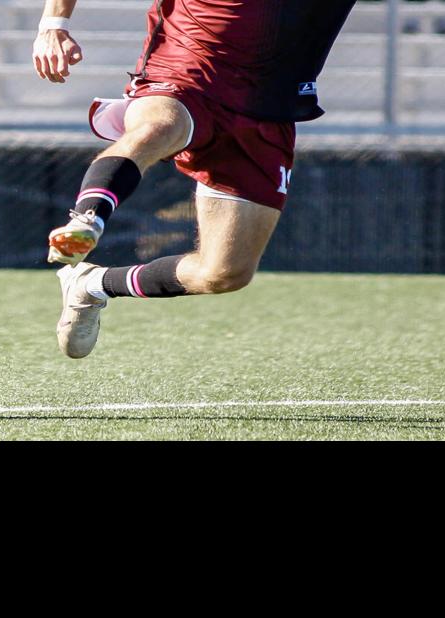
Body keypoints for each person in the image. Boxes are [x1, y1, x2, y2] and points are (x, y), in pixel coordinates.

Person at [34, 0, 356, 358]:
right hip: (187, 72)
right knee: (158, 128)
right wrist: (54, 23)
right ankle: (88, 218)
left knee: (224, 273)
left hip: (268, 109)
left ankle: (91, 283)